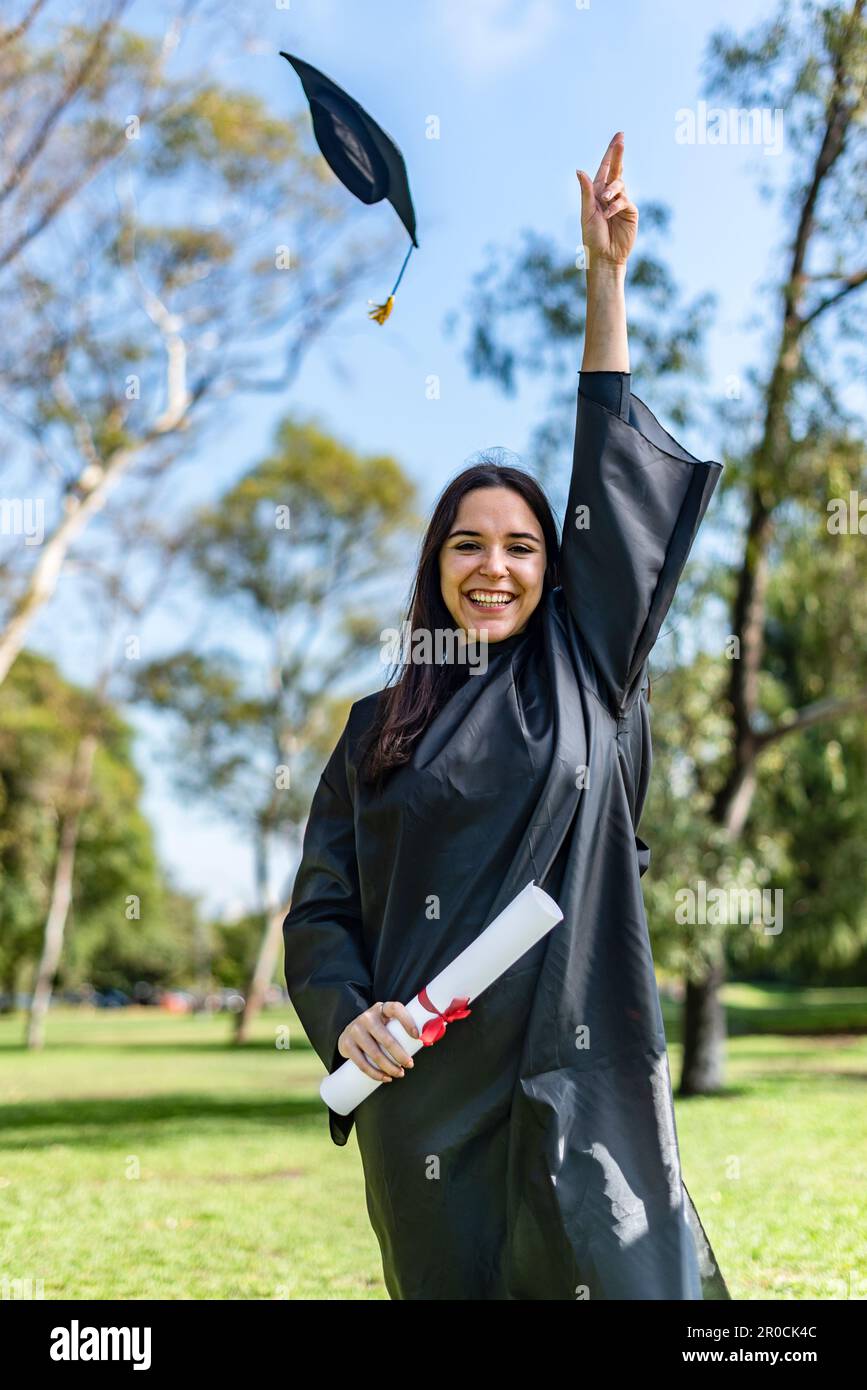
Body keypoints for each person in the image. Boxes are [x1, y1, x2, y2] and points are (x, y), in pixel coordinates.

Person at [283, 132, 730, 1300]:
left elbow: (609, 478)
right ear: (434, 565)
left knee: (638, 1280)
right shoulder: (375, 726)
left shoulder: (588, 670)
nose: (494, 566)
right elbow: (320, 909)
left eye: (523, 546)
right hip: (426, 1087)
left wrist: (606, 283)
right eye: (468, 544)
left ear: (557, 569)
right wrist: (347, 1022)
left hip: (587, 1066)